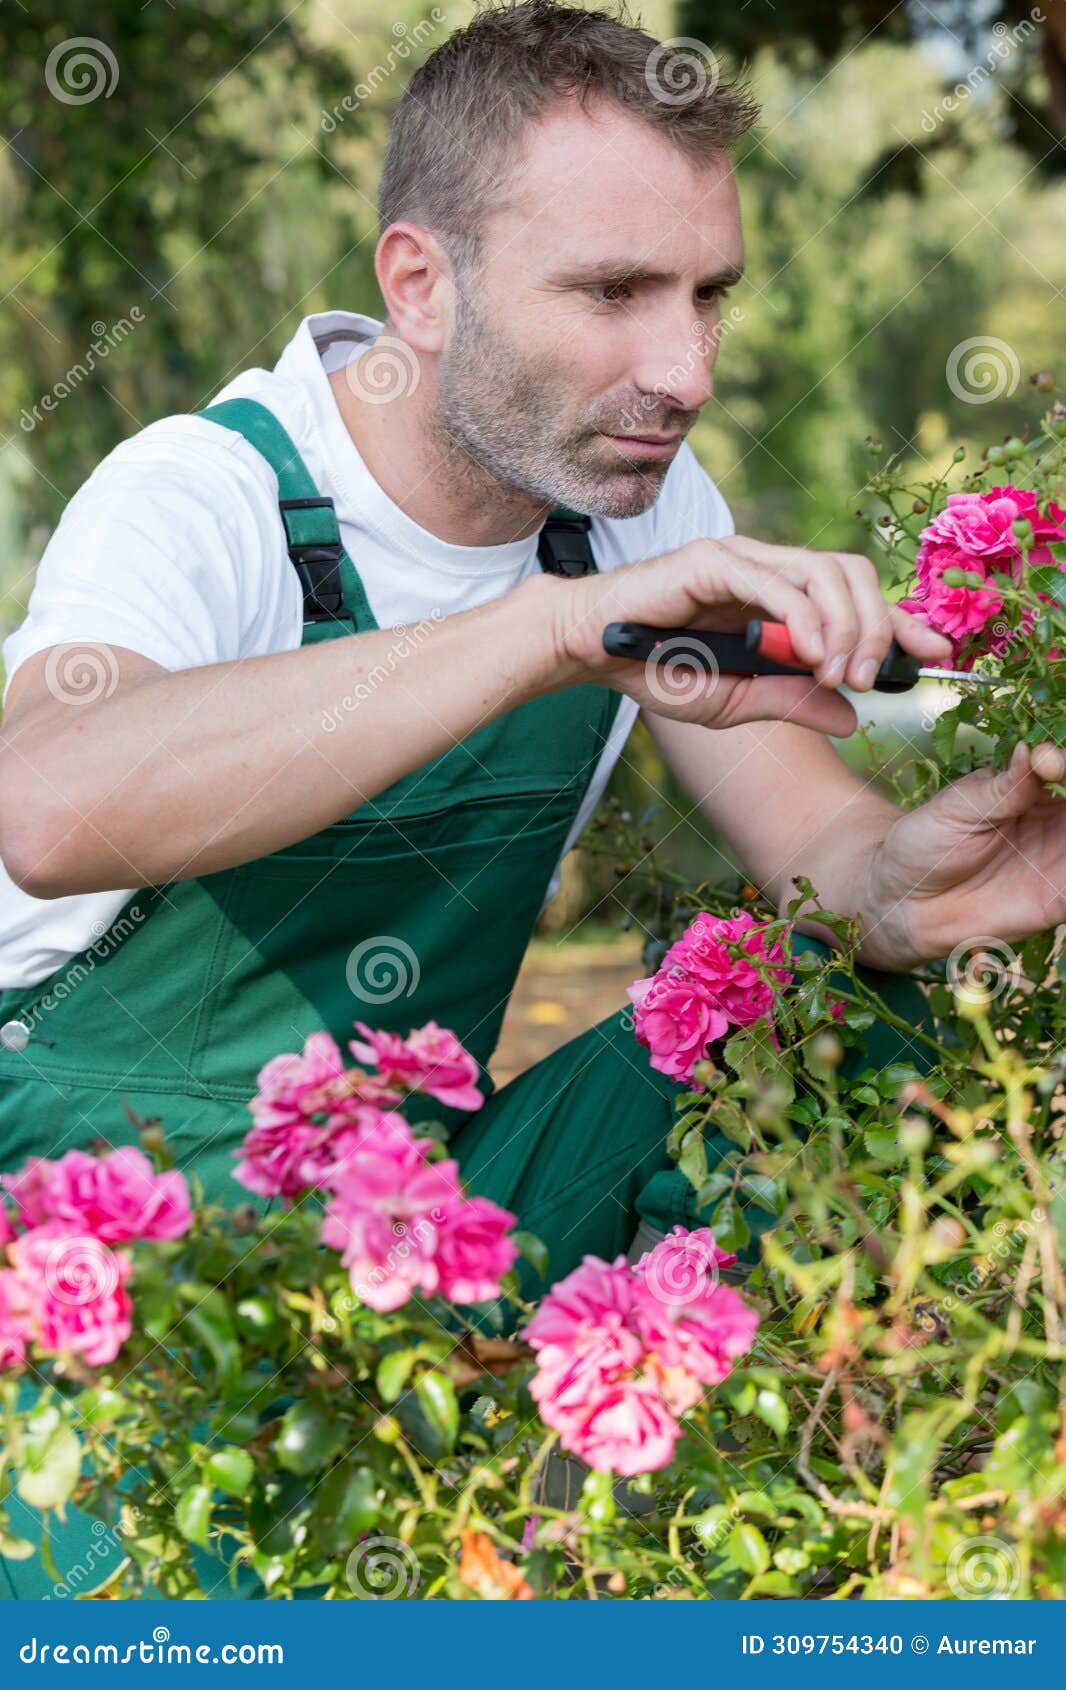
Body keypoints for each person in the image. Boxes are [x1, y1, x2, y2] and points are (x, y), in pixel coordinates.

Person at [1, 0, 1063, 1598]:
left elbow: (822, 844)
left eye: (709, 295)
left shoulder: (628, 499)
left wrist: (915, 879)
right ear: (418, 285)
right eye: (613, 293)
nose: (685, 367)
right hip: (99, 1251)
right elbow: (49, 800)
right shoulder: (204, 489)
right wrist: (553, 631)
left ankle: (754, 1521)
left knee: (848, 998)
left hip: (430, 1214)